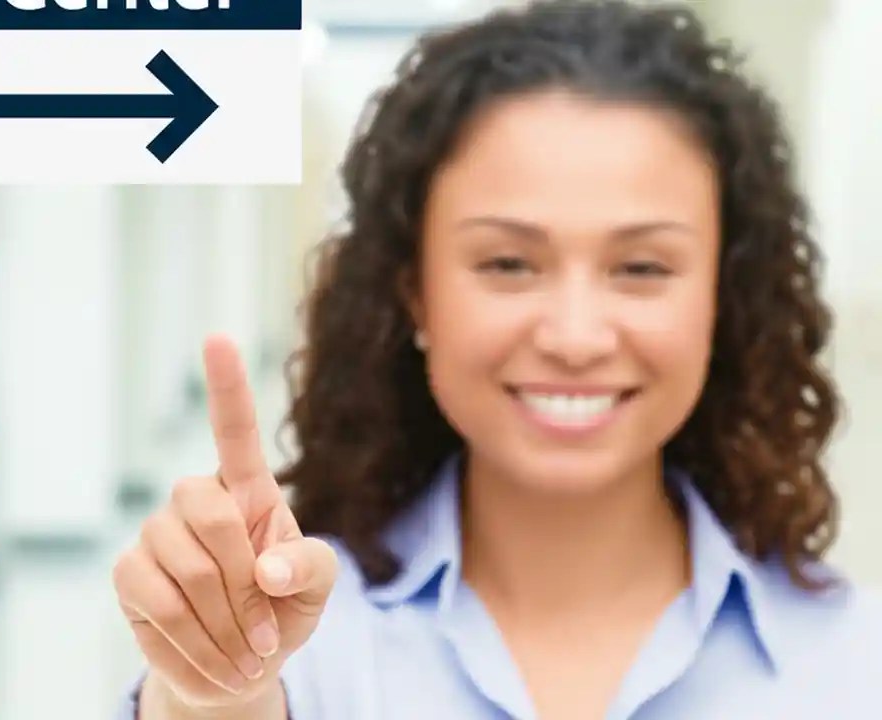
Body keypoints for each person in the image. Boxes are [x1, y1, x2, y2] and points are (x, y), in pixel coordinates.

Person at [110, 1, 882, 718]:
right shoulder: (292, 642)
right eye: (508, 263)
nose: (575, 338)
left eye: (642, 268)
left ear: (722, 297)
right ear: (414, 294)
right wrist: (213, 697)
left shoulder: (851, 663)